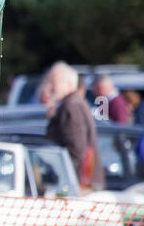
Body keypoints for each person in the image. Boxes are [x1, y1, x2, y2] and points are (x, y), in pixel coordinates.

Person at [40, 61, 105, 190]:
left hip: (79, 184)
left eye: (54, 82)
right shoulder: (74, 103)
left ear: (69, 84)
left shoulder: (71, 106)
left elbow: (76, 149)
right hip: (82, 182)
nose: (51, 87)